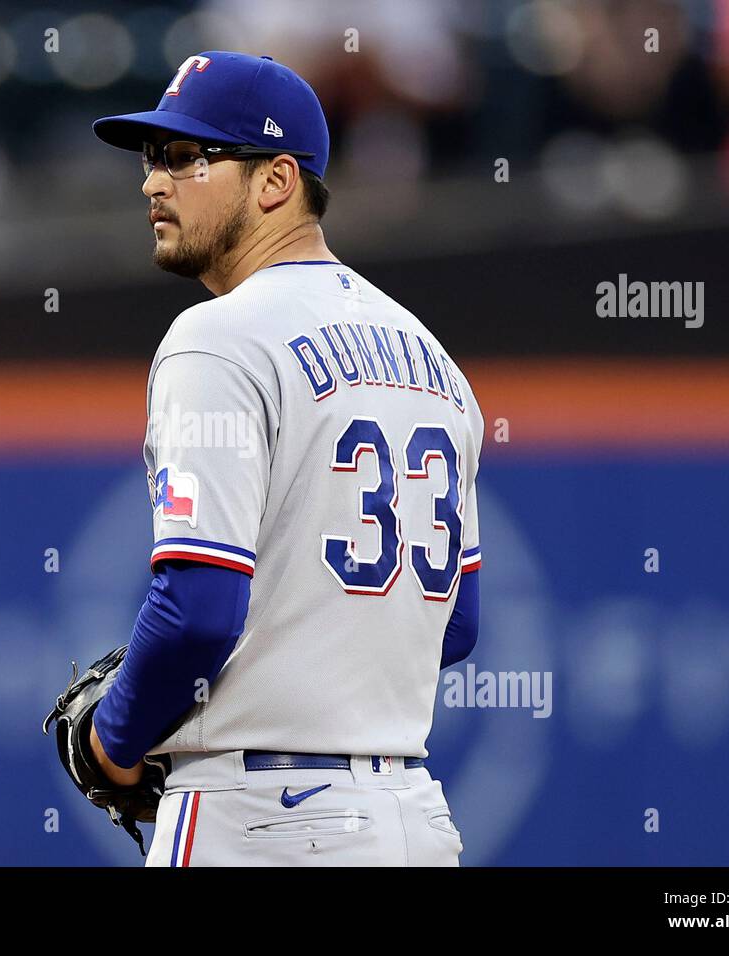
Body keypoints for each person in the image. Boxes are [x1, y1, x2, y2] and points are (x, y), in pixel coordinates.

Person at [86, 51, 484, 866]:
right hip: (413, 821)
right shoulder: (433, 357)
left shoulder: (218, 337)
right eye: (151, 158)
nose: (152, 183)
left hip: (261, 822)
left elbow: (198, 609)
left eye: (186, 157)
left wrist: (113, 740)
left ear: (275, 182)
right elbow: (458, 627)